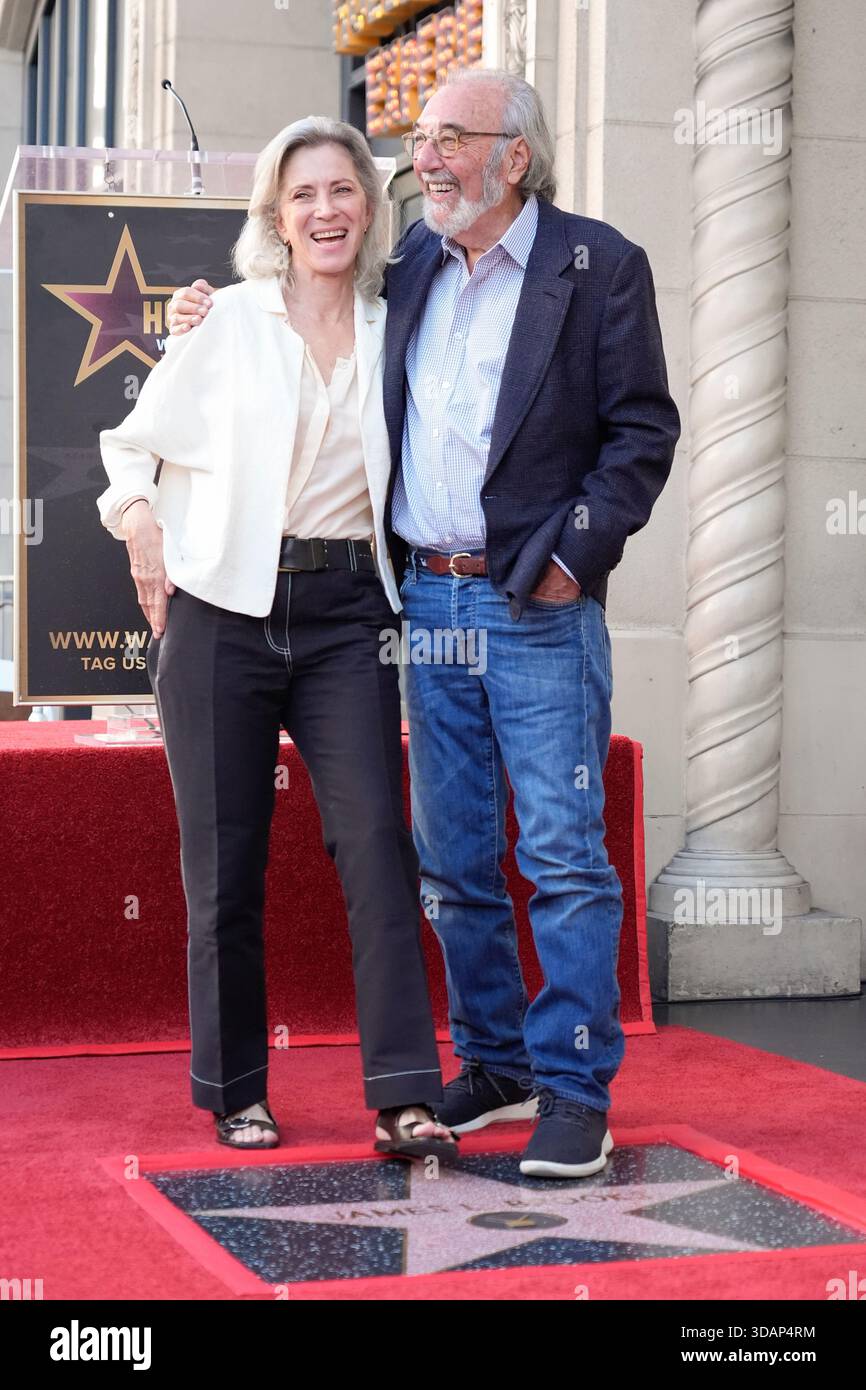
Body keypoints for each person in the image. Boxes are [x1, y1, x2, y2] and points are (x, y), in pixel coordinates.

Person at [167, 70, 681, 1179]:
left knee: (559, 853)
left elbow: (640, 432)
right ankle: (493, 1063)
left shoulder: (595, 266)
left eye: (451, 137)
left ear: (514, 155)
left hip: (531, 602)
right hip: (420, 606)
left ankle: (573, 1087)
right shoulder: (403, 268)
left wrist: (570, 558)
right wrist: (194, 312)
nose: (427, 156)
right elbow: (288, 314)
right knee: (452, 858)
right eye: (423, 136)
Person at [97, 117, 457, 1163]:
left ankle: (401, 1092)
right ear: (275, 217)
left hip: (348, 612)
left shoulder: (404, 326)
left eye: (342, 190)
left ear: (367, 206)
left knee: (378, 848)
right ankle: (234, 1088)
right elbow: (128, 448)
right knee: (225, 862)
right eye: (302, 196)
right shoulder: (226, 324)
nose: (326, 211)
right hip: (219, 614)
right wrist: (140, 529)